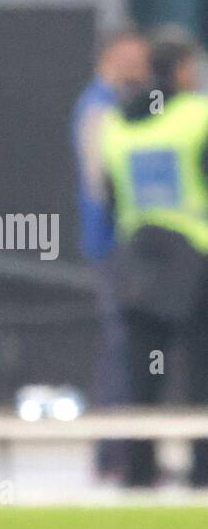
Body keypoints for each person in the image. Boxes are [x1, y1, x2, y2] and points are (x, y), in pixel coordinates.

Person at [100, 26, 208, 487]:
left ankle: (139, 476)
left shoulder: (117, 124)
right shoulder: (198, 116)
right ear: (183, 69)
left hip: (138, 258)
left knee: (143, 378)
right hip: (196, 256)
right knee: (202, 376)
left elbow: (108, 197)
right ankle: (203, 473)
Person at [71, 27, 149, 481]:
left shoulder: (114, 104)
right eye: (133, 58)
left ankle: (118, 451)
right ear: (111, 57)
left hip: (119, 247)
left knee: (123, 348)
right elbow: (99, 182)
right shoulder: (99, 107)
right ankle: (112, 454)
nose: (140, 69)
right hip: (112, 246)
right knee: (120, 349)